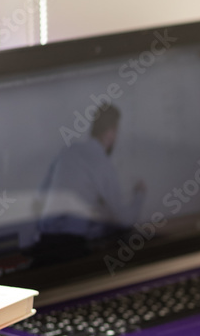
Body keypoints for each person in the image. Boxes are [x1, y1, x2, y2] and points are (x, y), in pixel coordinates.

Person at [38, 102, 146, 243]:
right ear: (111, 131)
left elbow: (41, 196)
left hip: (44, 241)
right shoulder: (102, 163)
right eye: (116, 132)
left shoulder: (67, 152)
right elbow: (123, 221)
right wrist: (139, 194)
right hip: (70, 246)